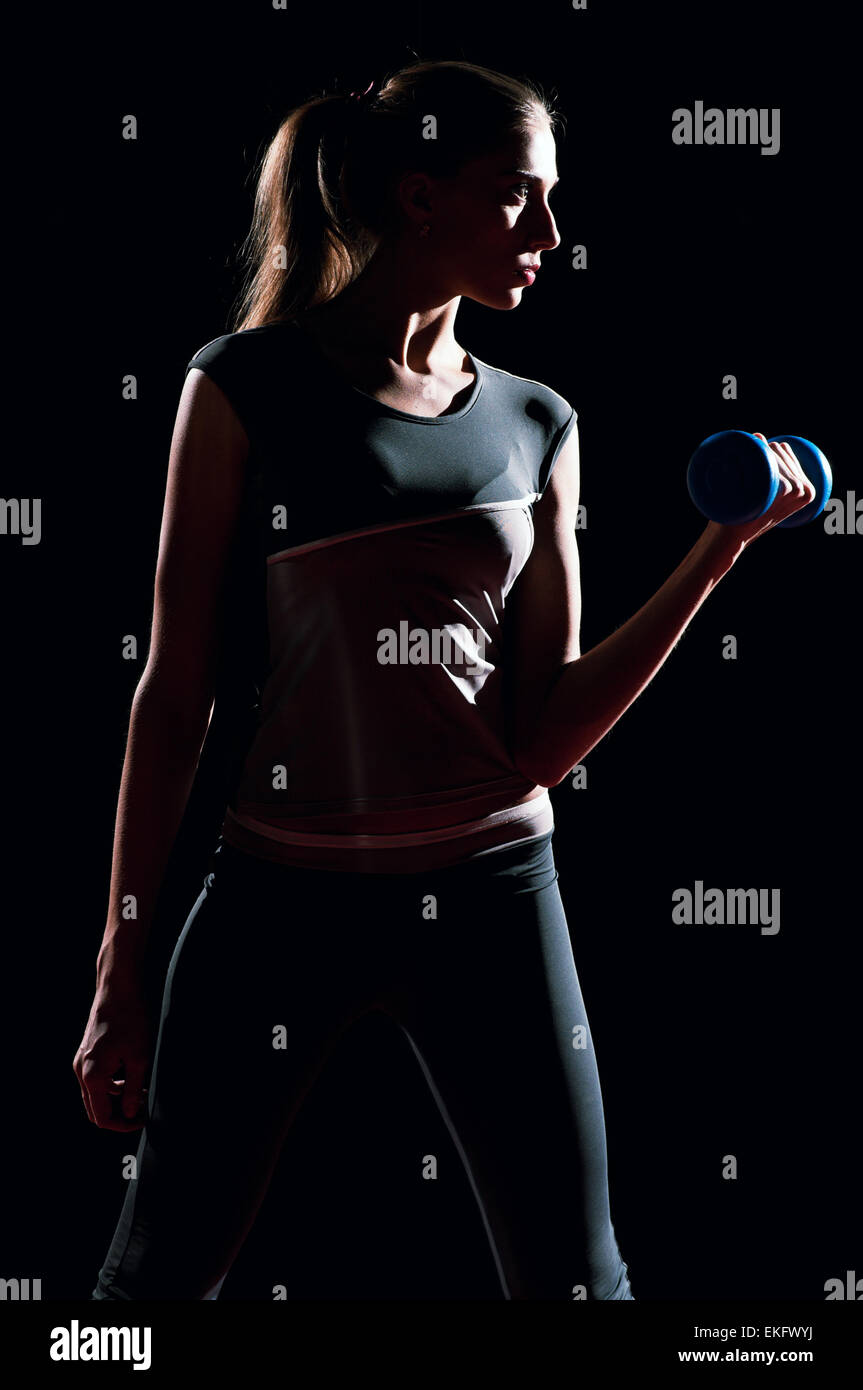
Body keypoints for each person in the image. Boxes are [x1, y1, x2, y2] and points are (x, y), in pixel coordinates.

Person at [73, 59, 815, 1302]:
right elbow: (173, 698)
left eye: (552, 200)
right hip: (279, 892)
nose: (550, 233)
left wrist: (716, 553)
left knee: (580, 1288)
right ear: (420, 197)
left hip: (490, 893)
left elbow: (537, 739)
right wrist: (121, 968)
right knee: (141, 1298)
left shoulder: (538, 423)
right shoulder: (244, 386)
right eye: (517, 196)